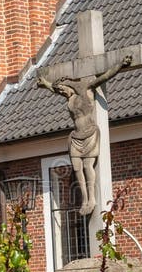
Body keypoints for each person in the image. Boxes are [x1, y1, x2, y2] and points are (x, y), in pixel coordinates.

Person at [37, 56, 131, 215]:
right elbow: (54, 88)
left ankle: (92, 198)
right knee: (76, 167)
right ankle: (85, 198)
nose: (62, 92)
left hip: (89, 133)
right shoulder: (69, 96)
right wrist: (45, 83)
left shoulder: (87, 89)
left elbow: (105, 76)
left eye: (63, 89)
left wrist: (120, 64)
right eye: (61, 90)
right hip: (75, 136)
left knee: (88, 166)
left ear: (70, 86)